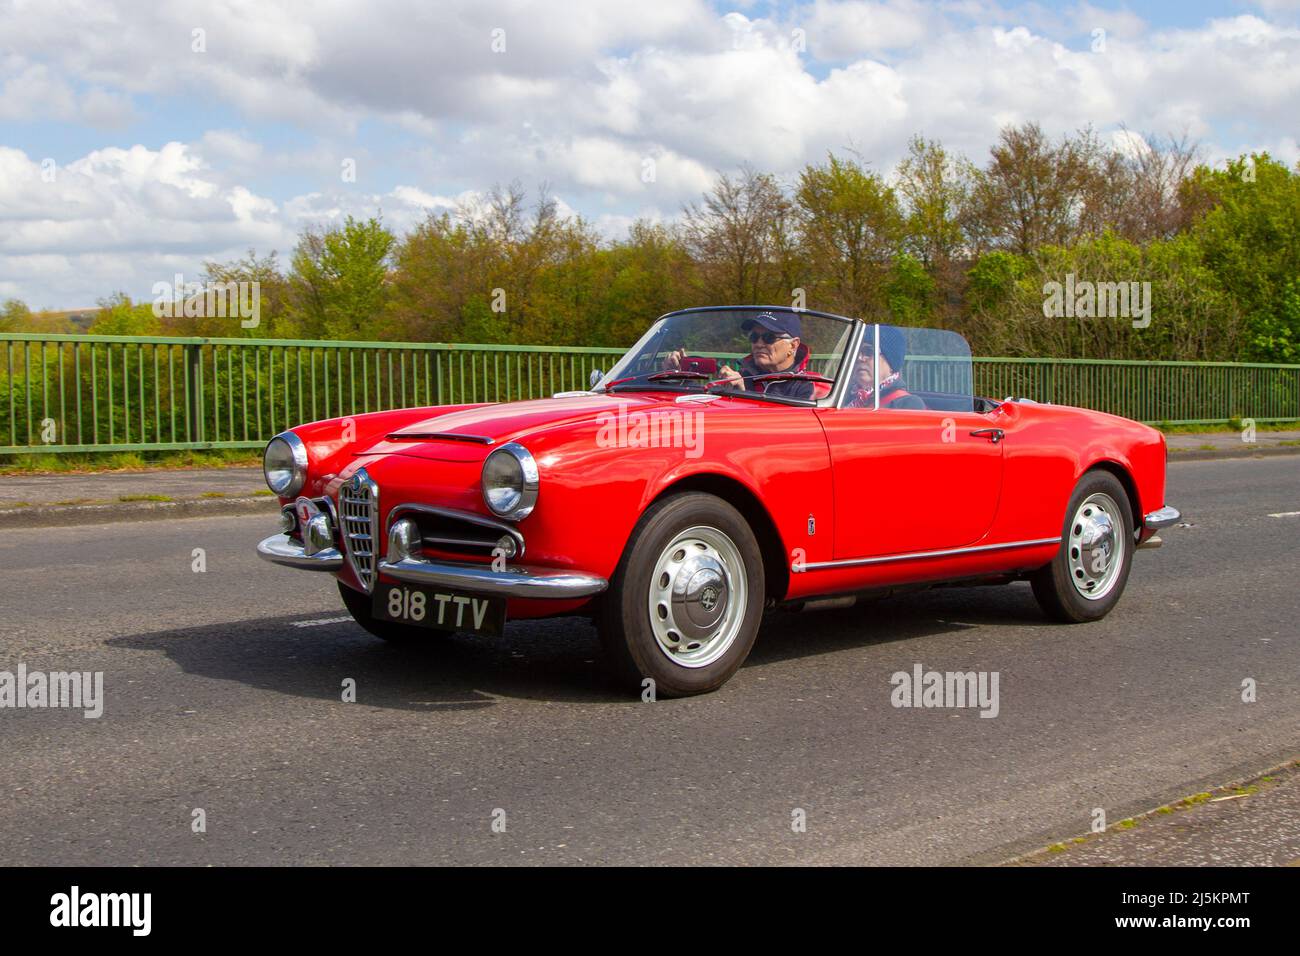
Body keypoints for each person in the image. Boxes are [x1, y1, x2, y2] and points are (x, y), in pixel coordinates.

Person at [666, 311, 815, 400]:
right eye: (754, 337)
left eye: (769, 338)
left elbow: (787, 430)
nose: (759, 343)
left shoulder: (807, 386)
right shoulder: (741, 376)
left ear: (793, 345)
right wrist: (677, 377)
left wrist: (744, 395)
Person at [847, 324, 926, 409]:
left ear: (891, 362)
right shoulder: (843, 396)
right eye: (856, 352)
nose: (859, 358)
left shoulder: (907, 404)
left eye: (868, 352)